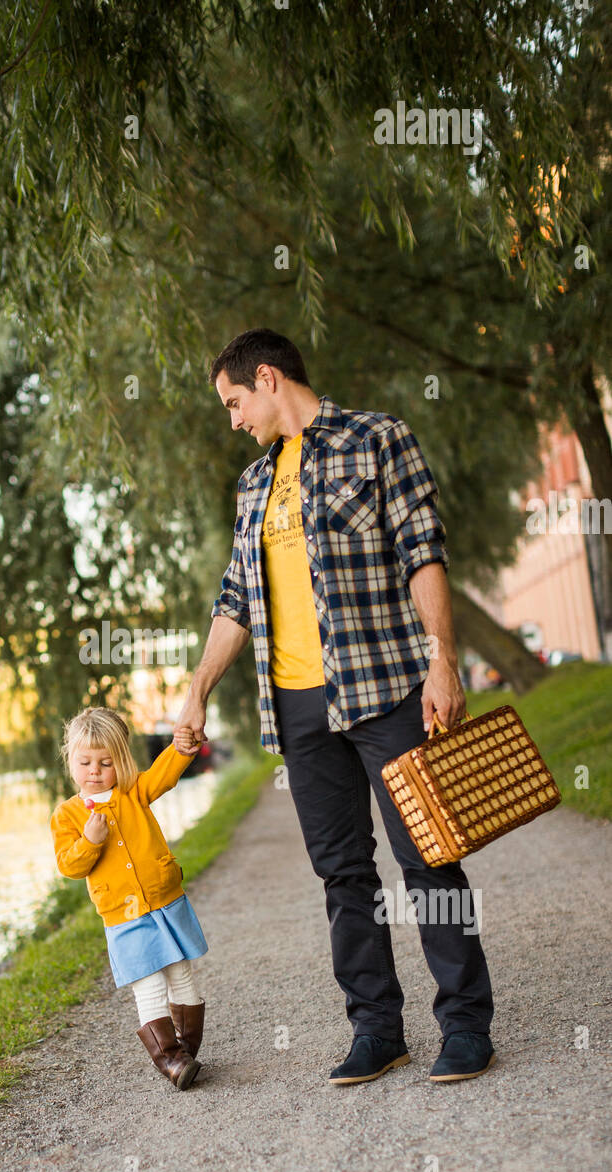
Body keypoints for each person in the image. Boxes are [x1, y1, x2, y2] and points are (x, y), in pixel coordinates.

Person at [175, 327, 496, 1085]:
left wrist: (442, 660)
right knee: (343, 874)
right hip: (298, 708)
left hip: (385, 687)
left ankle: (465, 1025)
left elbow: (424, 551)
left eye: (233, 402)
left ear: (267, 378)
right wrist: (196, 689)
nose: (232, 421)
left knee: (429, 856)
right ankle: (378, 1029)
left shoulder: (378, 439)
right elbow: (236, 598)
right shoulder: (255, 485)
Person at [49, 706, 209, 1090]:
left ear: (120, 760)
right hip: (124, 915)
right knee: (148, 981)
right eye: (85, 761)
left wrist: (183, 748)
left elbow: (164, 774)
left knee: (181, 972)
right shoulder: (68, 815)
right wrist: (91, 841)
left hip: (165, 899)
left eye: (105, 762)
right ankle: (169, 1060)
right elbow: (70, 866)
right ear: (71, 761)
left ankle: (186, 1050)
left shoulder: (133, 791)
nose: (95, 770)